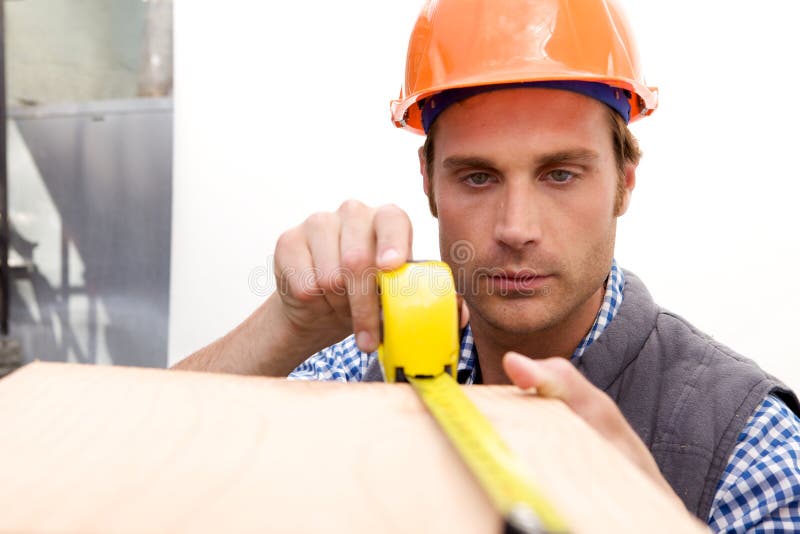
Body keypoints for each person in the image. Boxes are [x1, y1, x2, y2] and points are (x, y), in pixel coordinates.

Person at [173, 0, 800, 530]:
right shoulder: (353, 374)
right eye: (477, 177)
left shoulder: (752, 445)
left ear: (624, 182)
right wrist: (285, 326)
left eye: (560, 174)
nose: (514, 230)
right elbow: (122, 468)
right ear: (427, 183)